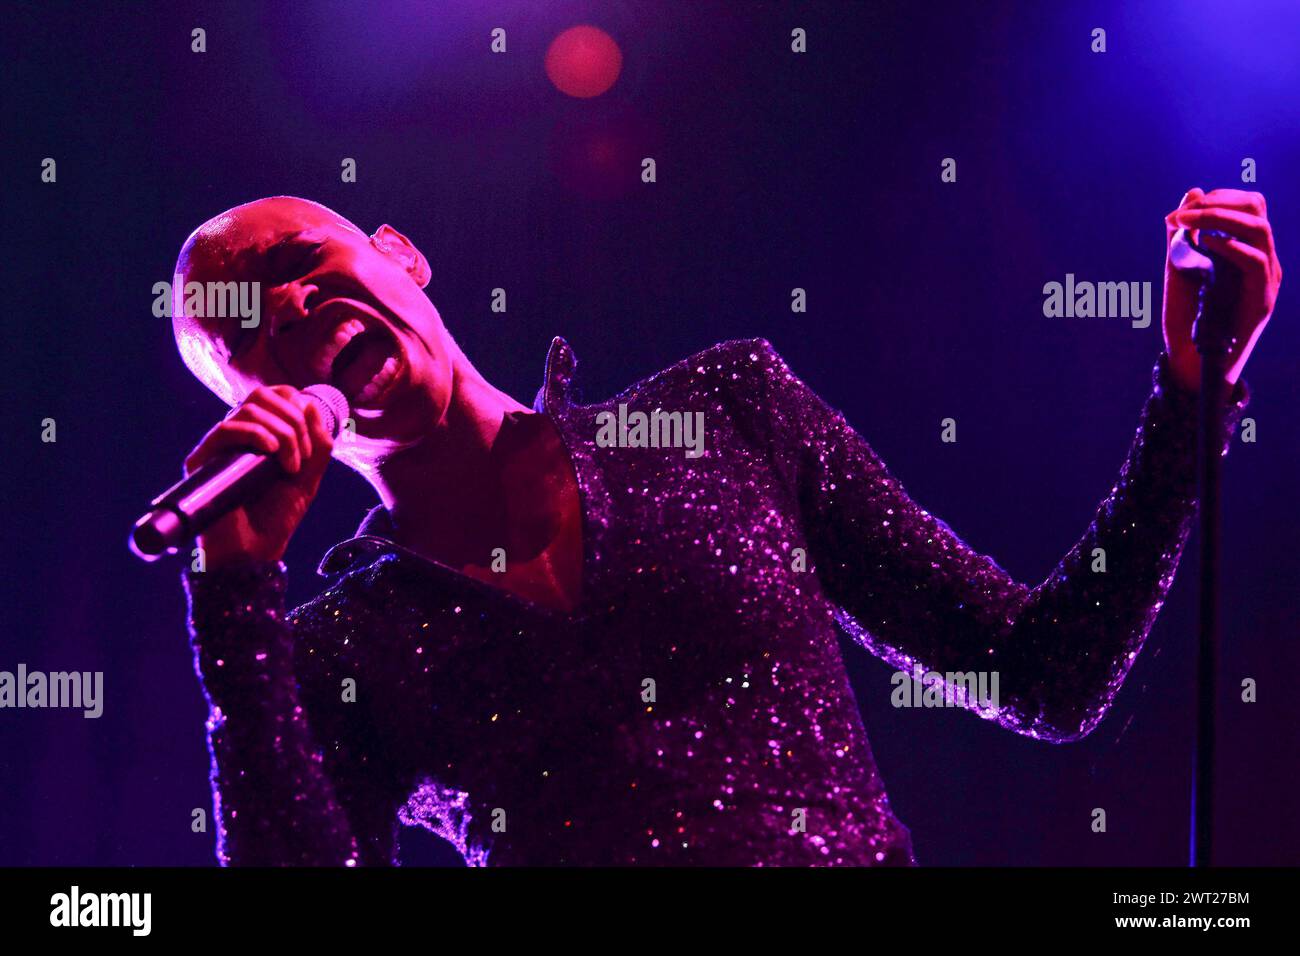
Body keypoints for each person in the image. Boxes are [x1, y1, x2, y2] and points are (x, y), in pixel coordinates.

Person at [175, 190, 1279, 866]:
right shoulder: (332, 652)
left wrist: (1189, 398)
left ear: (396, 255)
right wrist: (233, 601)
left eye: (300, 267)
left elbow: (1044, 673)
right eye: (250, 330)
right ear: (250, 409)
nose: (292, 313)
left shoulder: (723, 411)